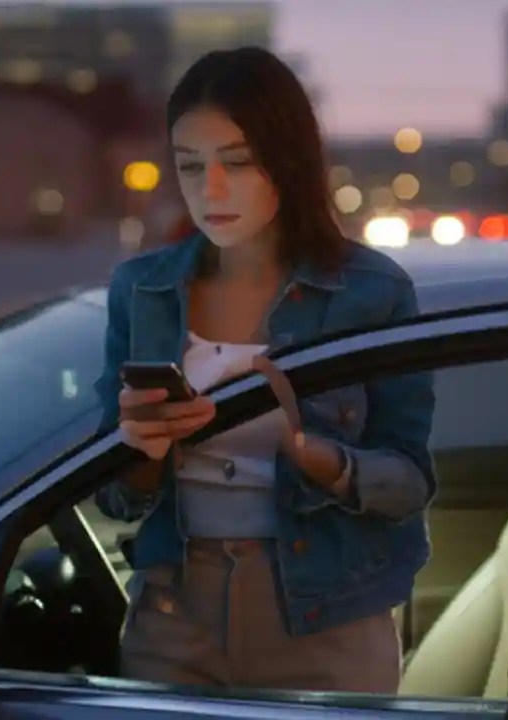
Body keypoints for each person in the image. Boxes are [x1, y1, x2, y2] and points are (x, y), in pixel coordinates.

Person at [92, 46, 436, 694]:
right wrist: (142, 448)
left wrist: (320, 461)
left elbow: (411, 479)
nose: (209, 191)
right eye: (190, 167)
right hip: (174, 612)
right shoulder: (142, 289)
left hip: (326, 614)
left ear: (287, 160)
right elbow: (115, 495)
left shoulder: (370, 291)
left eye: (237, 163)